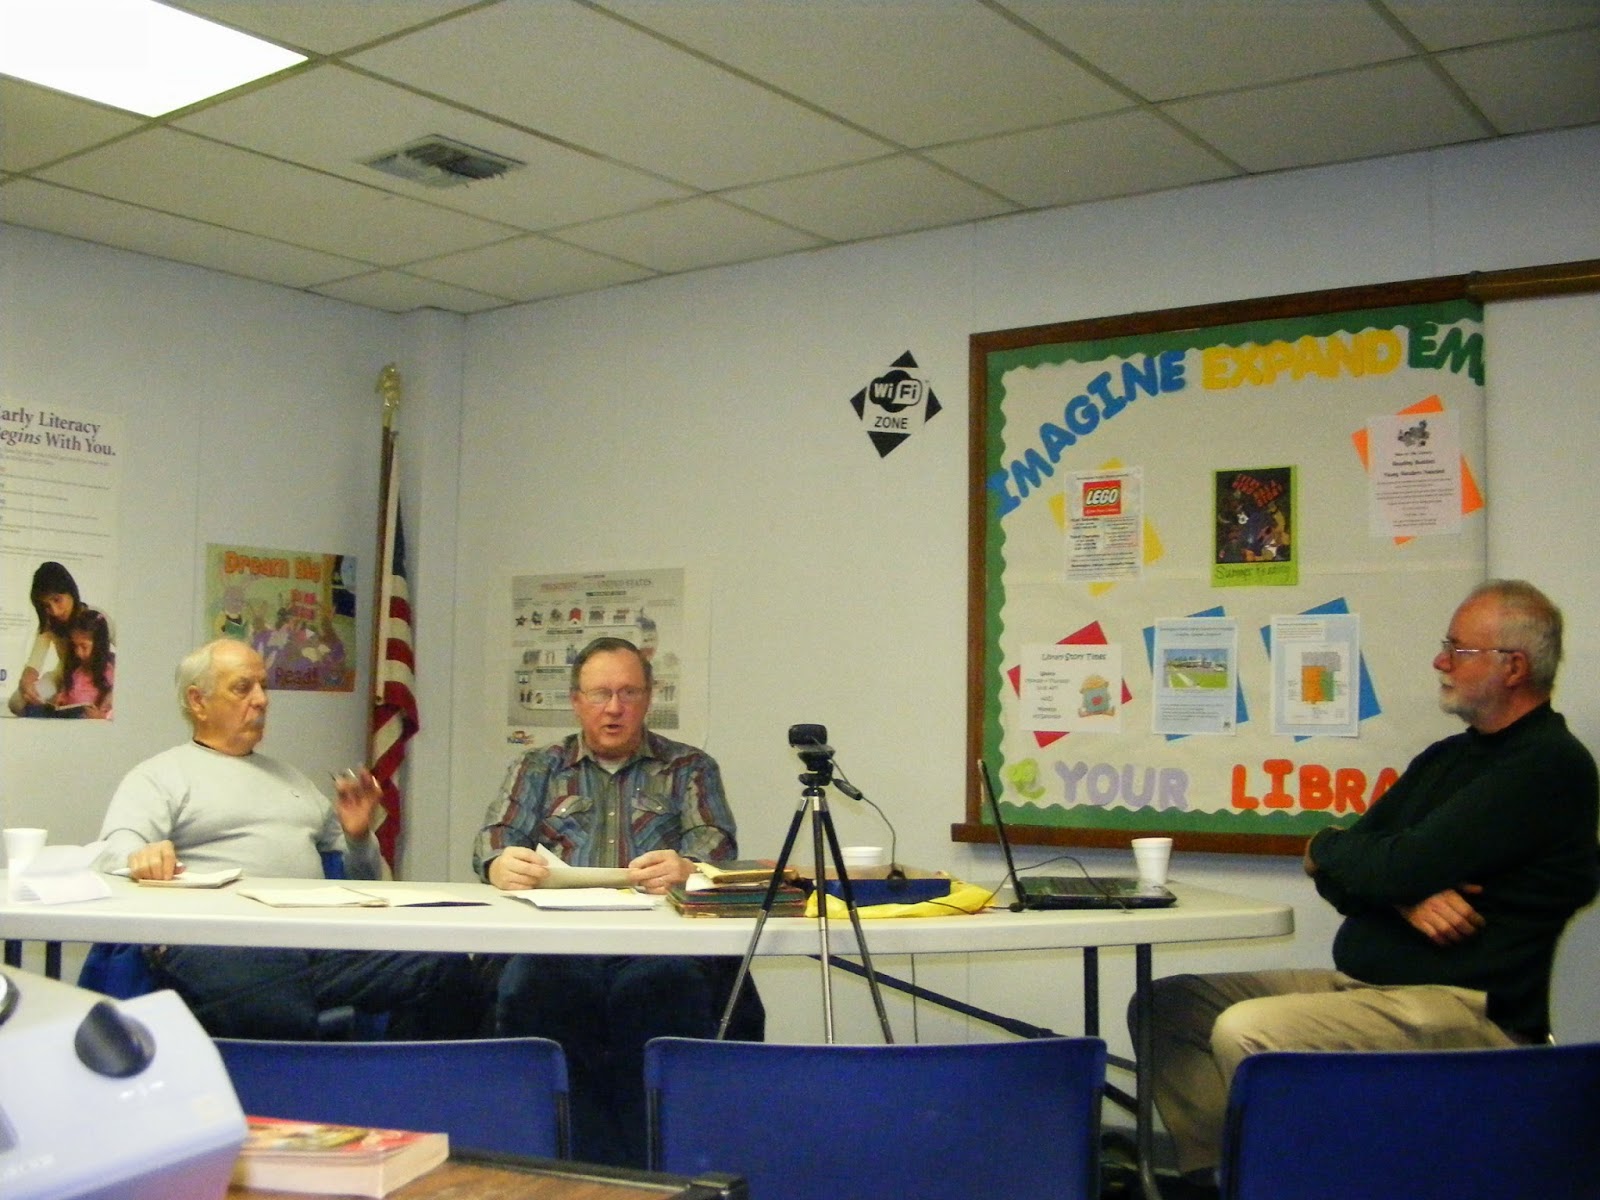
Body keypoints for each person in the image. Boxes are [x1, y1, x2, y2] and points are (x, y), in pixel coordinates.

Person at [1138, 579, 1599, 1195]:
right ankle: (1225, 1178)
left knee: (1248, 1030)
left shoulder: (1545, 765)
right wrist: (1395, 887)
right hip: (1372, 989)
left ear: (1513, 667)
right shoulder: (1447, 759)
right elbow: (1348, 871)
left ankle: (1283, 1182)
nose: (1440, 662)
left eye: (1458, 649)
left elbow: (1377, 863)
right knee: (1168, 1006)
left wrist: (1360, 863)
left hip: (1469, 1008)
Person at [96, 638, 483, 1039]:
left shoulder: (293, 781)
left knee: (445, 967)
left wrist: (357, 837)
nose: (262, 700)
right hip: (220, 943)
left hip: (312, 944)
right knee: (271, 1002)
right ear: (198, 701)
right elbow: (115, 850)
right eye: (243, 688)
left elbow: (367, 882)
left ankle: (405, 1077)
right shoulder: (160, 776)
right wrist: (144, 856)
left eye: (263, 687)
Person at [474, 636, 762, 1168]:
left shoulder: (689, 767)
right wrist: (499, 863)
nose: (614, 707)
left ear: (649, 698)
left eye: (628, 692)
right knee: (531, 991)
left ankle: (654, 1166)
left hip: (658, 946)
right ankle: (563, 1164)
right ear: (576, 701)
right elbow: (494, 838)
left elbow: (716, 846)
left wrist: (689, 867)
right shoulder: (537, 766)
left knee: (660, 993)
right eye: (600, 693)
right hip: (557, 946)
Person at [7, 560, 115, 716]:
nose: (55, 611)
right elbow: (35, 662)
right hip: (66, 675)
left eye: (57, 600)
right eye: (46, 606)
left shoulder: (96, 617)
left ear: (70, 591)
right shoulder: (50, 623)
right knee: (17, 702)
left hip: (98, 674)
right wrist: (26, 682)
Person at [51, 606, 115, 718]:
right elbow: (68, 692)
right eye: (75, 646)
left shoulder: (109, 673)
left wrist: (102, 717)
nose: (78, 652)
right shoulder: (76, 670)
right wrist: (61, 698)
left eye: (84, 647)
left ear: (98, 645)